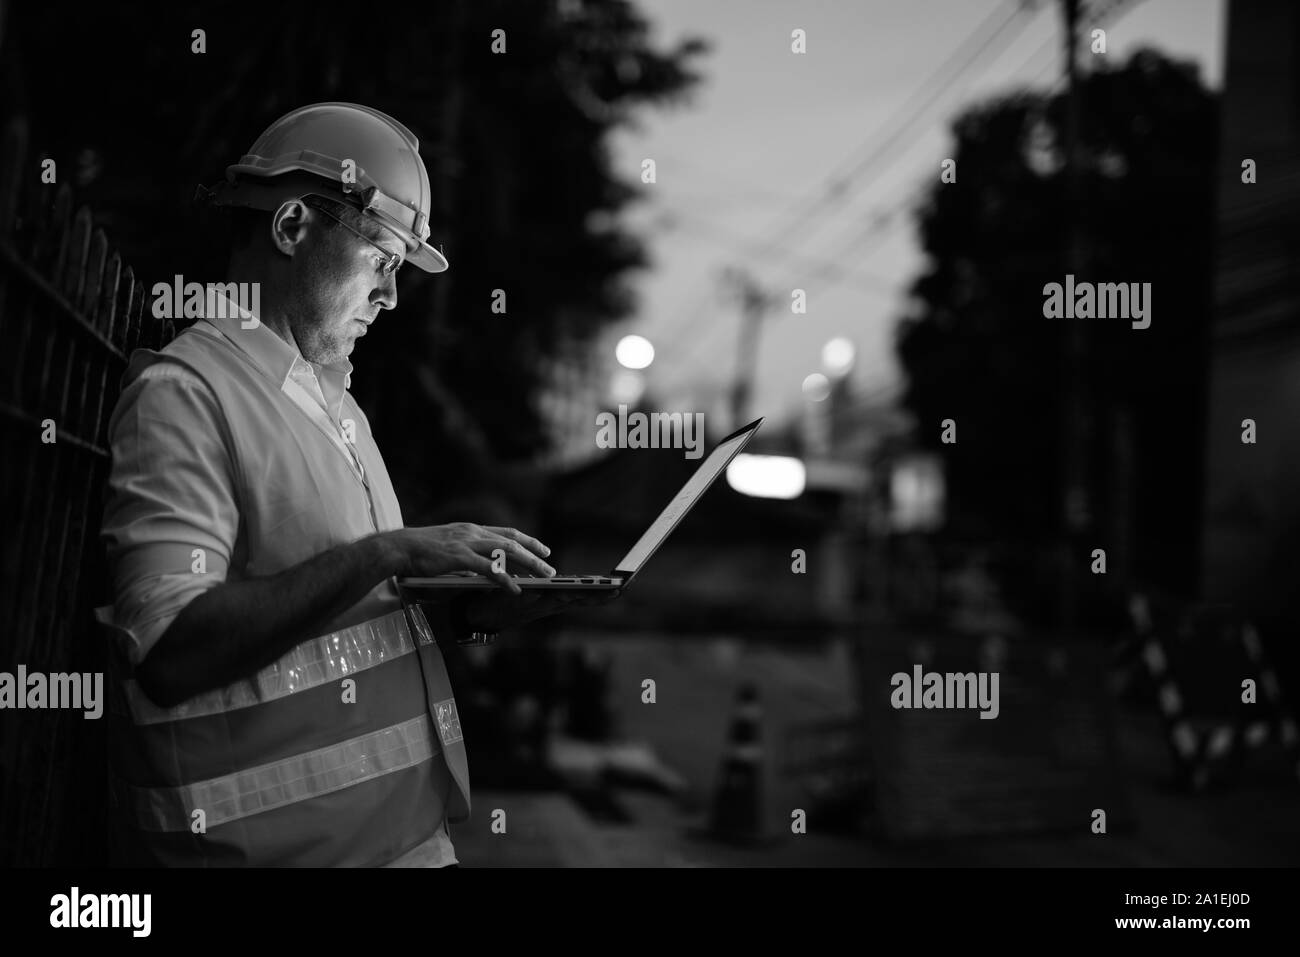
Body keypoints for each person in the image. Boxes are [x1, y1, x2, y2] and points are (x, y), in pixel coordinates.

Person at [96, 102, 604, 867]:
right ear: (293, 227)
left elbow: (341, 618)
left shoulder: (339, 409)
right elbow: (170, 652)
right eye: (382, 260)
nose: (393, 297)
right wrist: (387, 554)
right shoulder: (185, 395)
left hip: (394, 843)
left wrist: (466, 611)